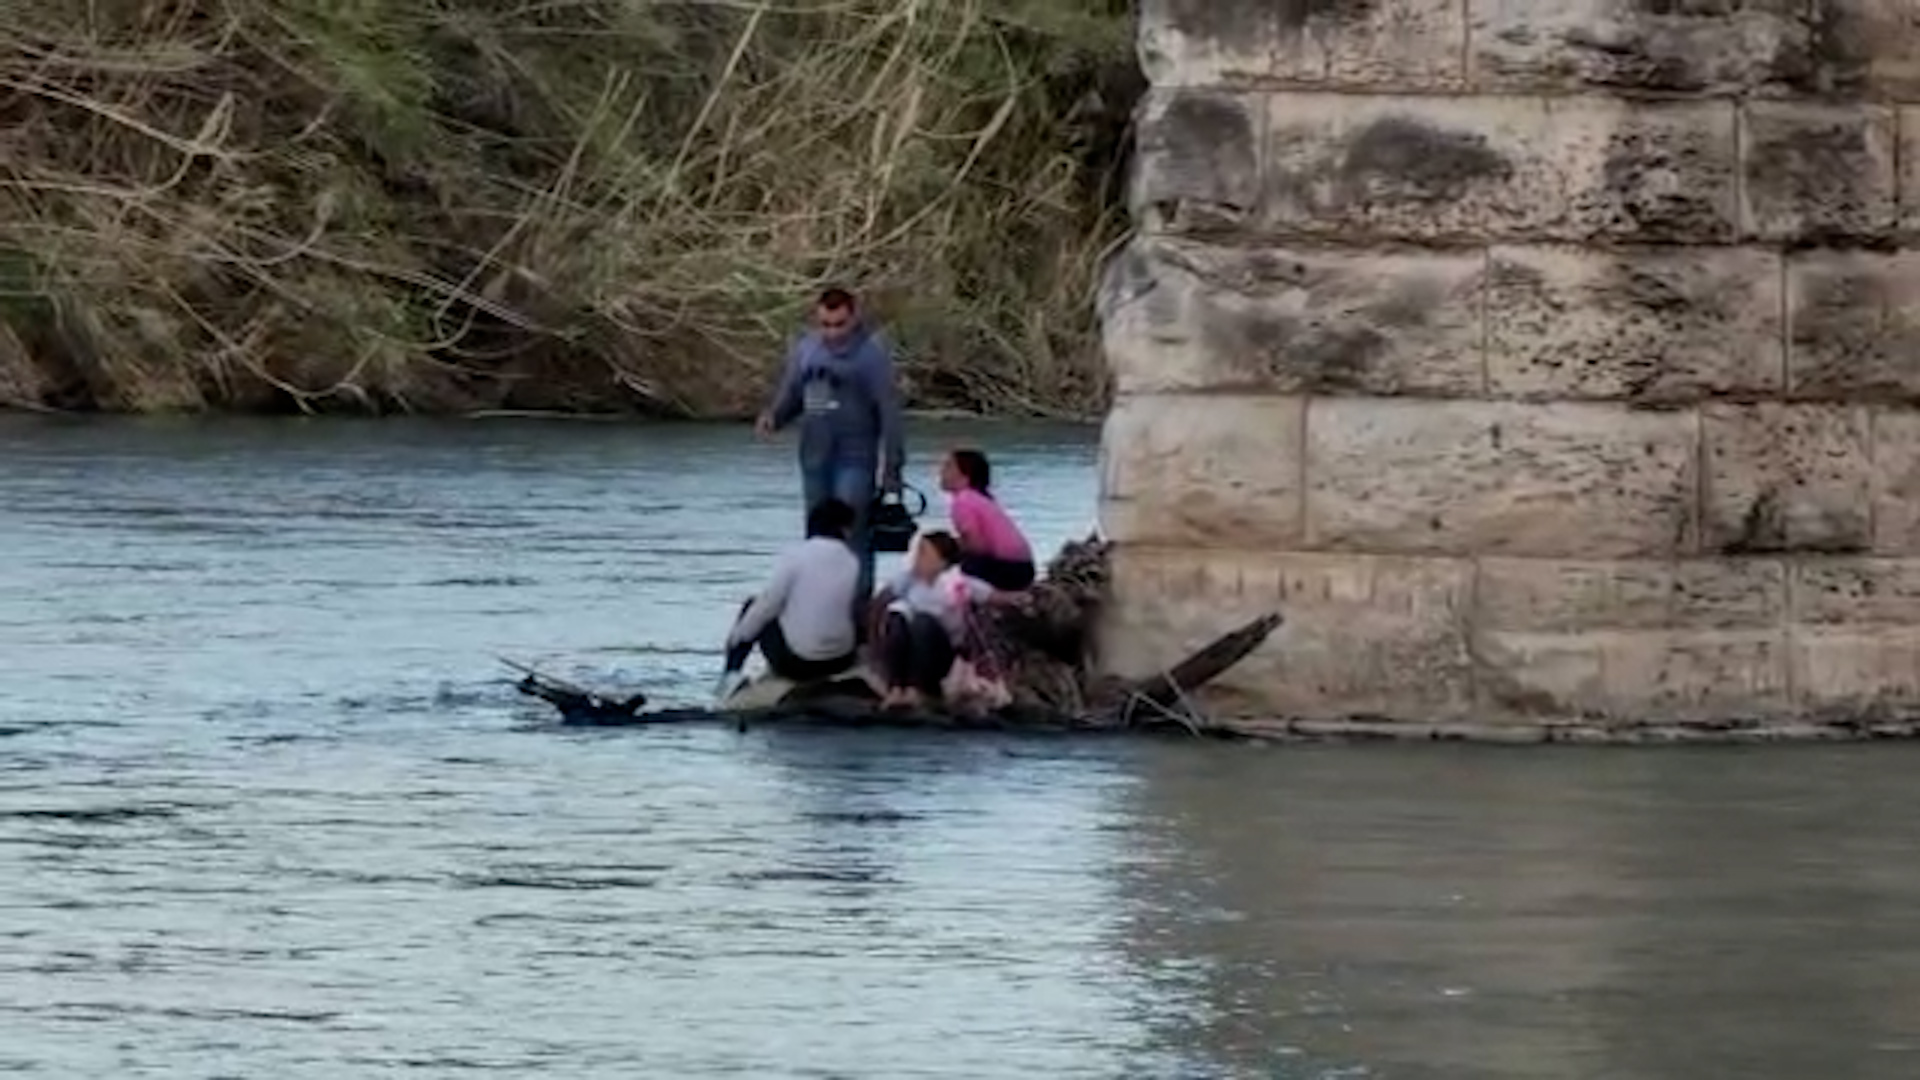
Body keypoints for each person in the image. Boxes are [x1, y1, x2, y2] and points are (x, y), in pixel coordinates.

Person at [754, 287, 905, 618]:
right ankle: (818, 606)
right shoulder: (807, 348)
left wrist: (892, 469)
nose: (832, 333)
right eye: (826, 324)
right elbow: (794, 393)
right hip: (814, 455)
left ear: (854, 317)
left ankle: (857, 609)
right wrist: (774, 418)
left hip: (856, 456)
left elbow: (889, 413)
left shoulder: (871, 355)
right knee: (818, 536)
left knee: (853, 533)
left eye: (839, 325)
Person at [719, 498, 862, 695]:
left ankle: (730, 678)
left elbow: (767, 606)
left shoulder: (795, 556)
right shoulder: (852, 560)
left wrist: (736, 638)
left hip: (799, 663)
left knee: (752, 605)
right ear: (844, 528)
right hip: (840, 661)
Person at [869, 530, 1011, 709]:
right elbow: (878, 606)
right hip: (909, 651)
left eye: (924, 553)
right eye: (917, 552)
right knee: (897, 617)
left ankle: (916, 689)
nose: (917, 558)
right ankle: (897, 688)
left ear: (942, 562)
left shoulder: (959, 584)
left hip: (940, 653)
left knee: (923, 622)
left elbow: (996, 597)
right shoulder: (906, 581)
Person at [940, 448, 1035, 591]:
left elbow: (977, 547)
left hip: (1009, 569)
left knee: (958, 563)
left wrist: (945, 550)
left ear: (965, 476)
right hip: (1023, 567)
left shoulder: (963, 501)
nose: (941, 472)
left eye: (948, 466)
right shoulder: (980, 498)